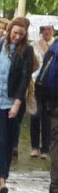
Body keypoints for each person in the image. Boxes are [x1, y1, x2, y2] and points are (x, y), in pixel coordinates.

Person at [0, 16, 33, 193]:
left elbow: (25, 78)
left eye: (21, 34)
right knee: (1, 140)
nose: (17, 36)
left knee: (10, 142)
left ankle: (5, 174)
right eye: (15, 32)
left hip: (13, 101)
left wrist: (18, 103)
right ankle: (1, 180)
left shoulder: (27, 51)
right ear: (9, 30)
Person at [29, 23, 55, 156]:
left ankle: (45, 148)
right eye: (44, 29)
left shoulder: (55, 45)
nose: (47, 32)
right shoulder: (34, 45)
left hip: (50, 87)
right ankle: (34, 146)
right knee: (35, 114)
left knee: (46, 117)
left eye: (49, 29)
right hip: (35, 83)